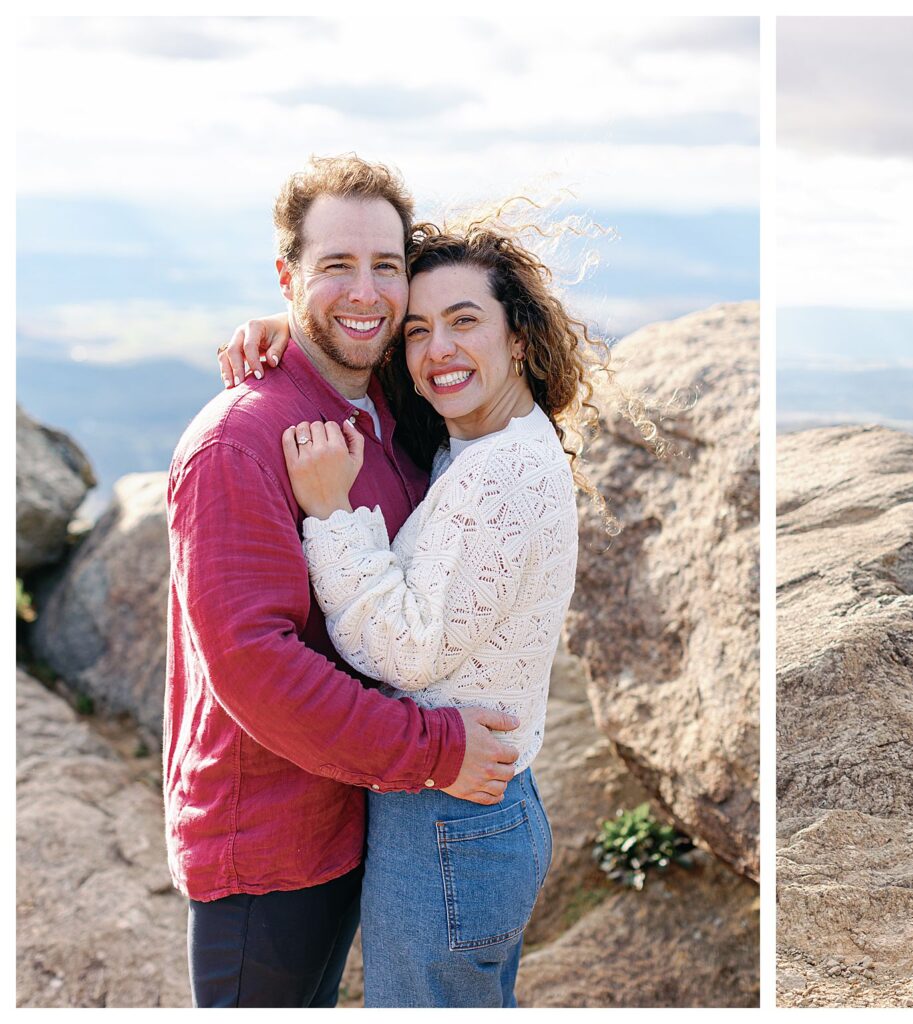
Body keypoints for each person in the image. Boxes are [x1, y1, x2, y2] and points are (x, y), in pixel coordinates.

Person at [221, 204, 652, 1005]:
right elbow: (358, 347)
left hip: (449, 822)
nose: (437, 350)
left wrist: (330, 514)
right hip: (469, 814)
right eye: (416, 331)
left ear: (517, 335)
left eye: (464, 321)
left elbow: (409, 652)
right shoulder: (484, 440)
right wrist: (284, 331)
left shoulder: (500, 475)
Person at [165, 155, 526, 1007]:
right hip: (268, 848)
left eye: (386, 267)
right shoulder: (239, 445)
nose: (366, 292)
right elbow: (257, 666)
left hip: (353, 812)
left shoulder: (383, 404)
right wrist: (434, 749)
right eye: (335, 267)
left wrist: (288, 328)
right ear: (288, 275)